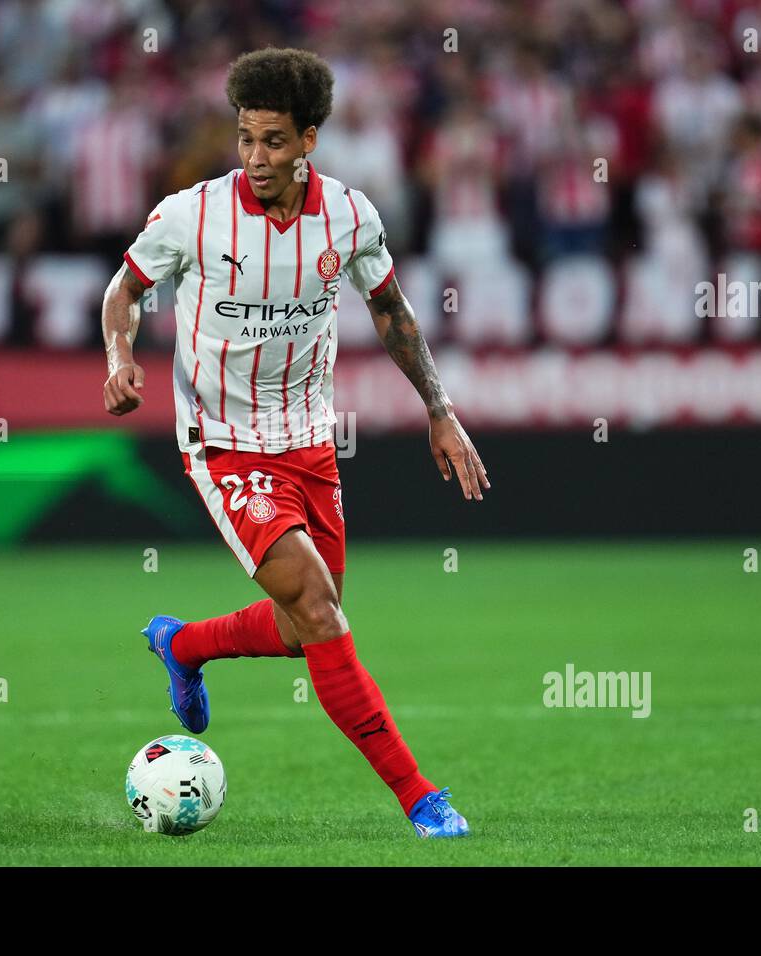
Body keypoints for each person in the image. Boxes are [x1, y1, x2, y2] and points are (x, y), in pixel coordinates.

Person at [99, 48, 488, 838]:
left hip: (310, 441)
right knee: (315, 605)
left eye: (274, 141)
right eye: (245, 138)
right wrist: (119, 356)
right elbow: (126, 289)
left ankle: (185, 644)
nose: (256, 157)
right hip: (222, 444)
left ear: (309, 138)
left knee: (310, 619)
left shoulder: (350, 217)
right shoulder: (193, 214)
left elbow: (392, 313)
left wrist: (439, 409)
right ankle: (422, 798)